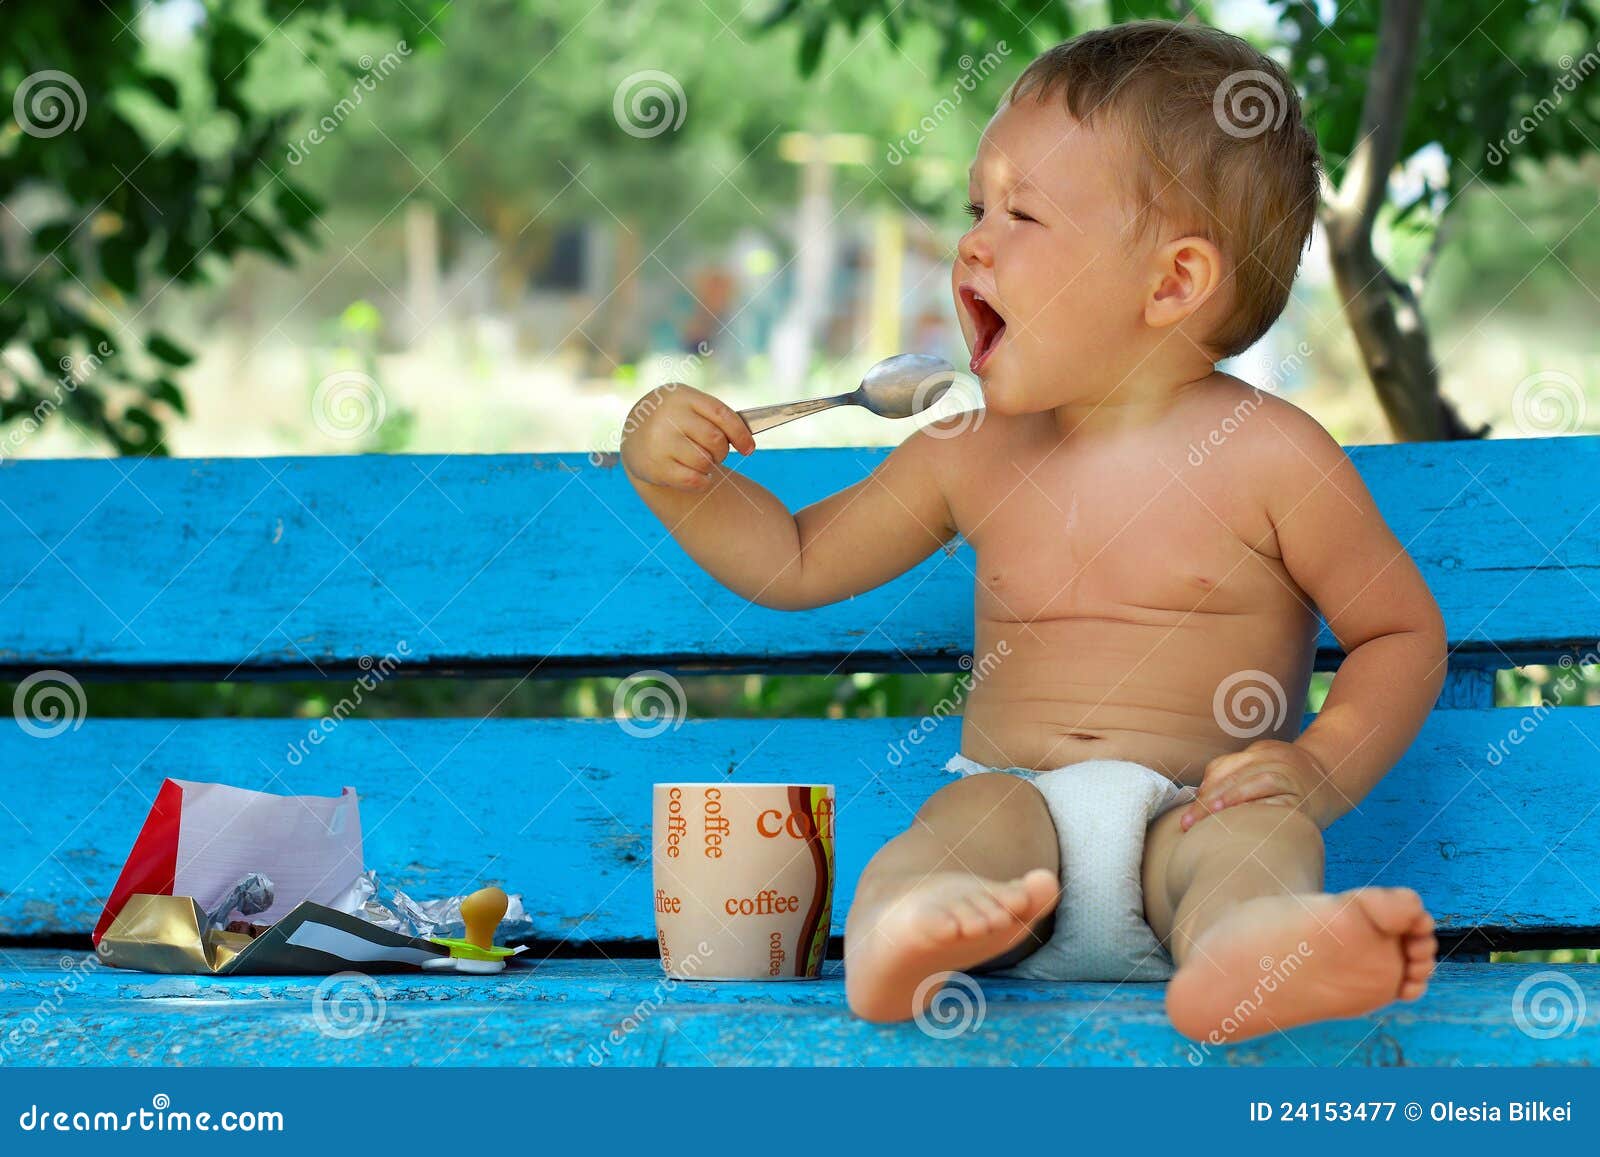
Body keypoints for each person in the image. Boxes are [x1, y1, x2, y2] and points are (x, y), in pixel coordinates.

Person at [619, 20, 1443, 1043]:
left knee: (1255, 847)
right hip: (1017, 827)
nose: (971, 241)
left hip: (1190, 821)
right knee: (950, 834)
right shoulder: (967, 449)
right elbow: (794, 559)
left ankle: (1248, 954)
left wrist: (1315, 771)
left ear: (1172, 283)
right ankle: (905, 932)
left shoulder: (1271, 454)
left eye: (1021, 214)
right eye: (977, 207)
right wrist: (682, 484)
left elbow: (1399, 634)